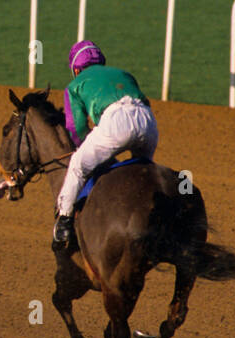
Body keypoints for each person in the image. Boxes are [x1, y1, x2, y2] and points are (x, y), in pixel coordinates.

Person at [52, 40, 158, 250]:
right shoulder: (124, 74)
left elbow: (76, 127)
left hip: (115, 123)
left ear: (75, 68)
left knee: (77, 165)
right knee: (143, 170)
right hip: (148, 121)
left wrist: (81, 145)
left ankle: (64, 221)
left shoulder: (74, 85)